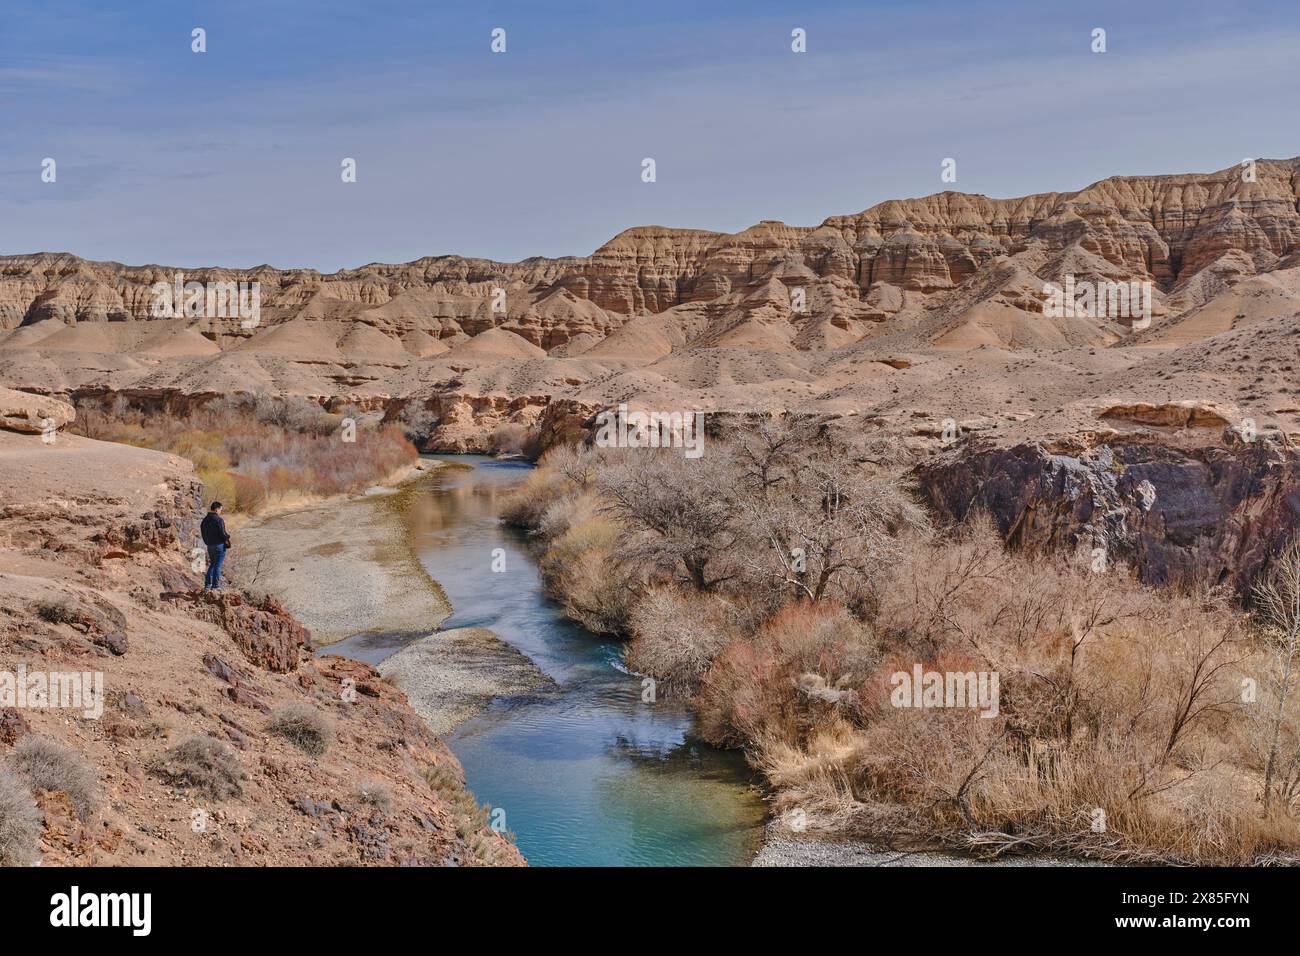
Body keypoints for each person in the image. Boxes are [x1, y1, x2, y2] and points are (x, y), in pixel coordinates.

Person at [199, 501, 231, 591]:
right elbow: (223, 533)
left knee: (212, 564)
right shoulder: (219, 520)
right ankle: (215, 586)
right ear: (217, 509)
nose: (221, 511)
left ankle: (207, 585)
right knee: (218, 565)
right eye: (221, 509)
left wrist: (207, 542)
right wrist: (228, 537)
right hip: (219, 545)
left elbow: (203, 533)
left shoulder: (204, 520)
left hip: (210, 546)